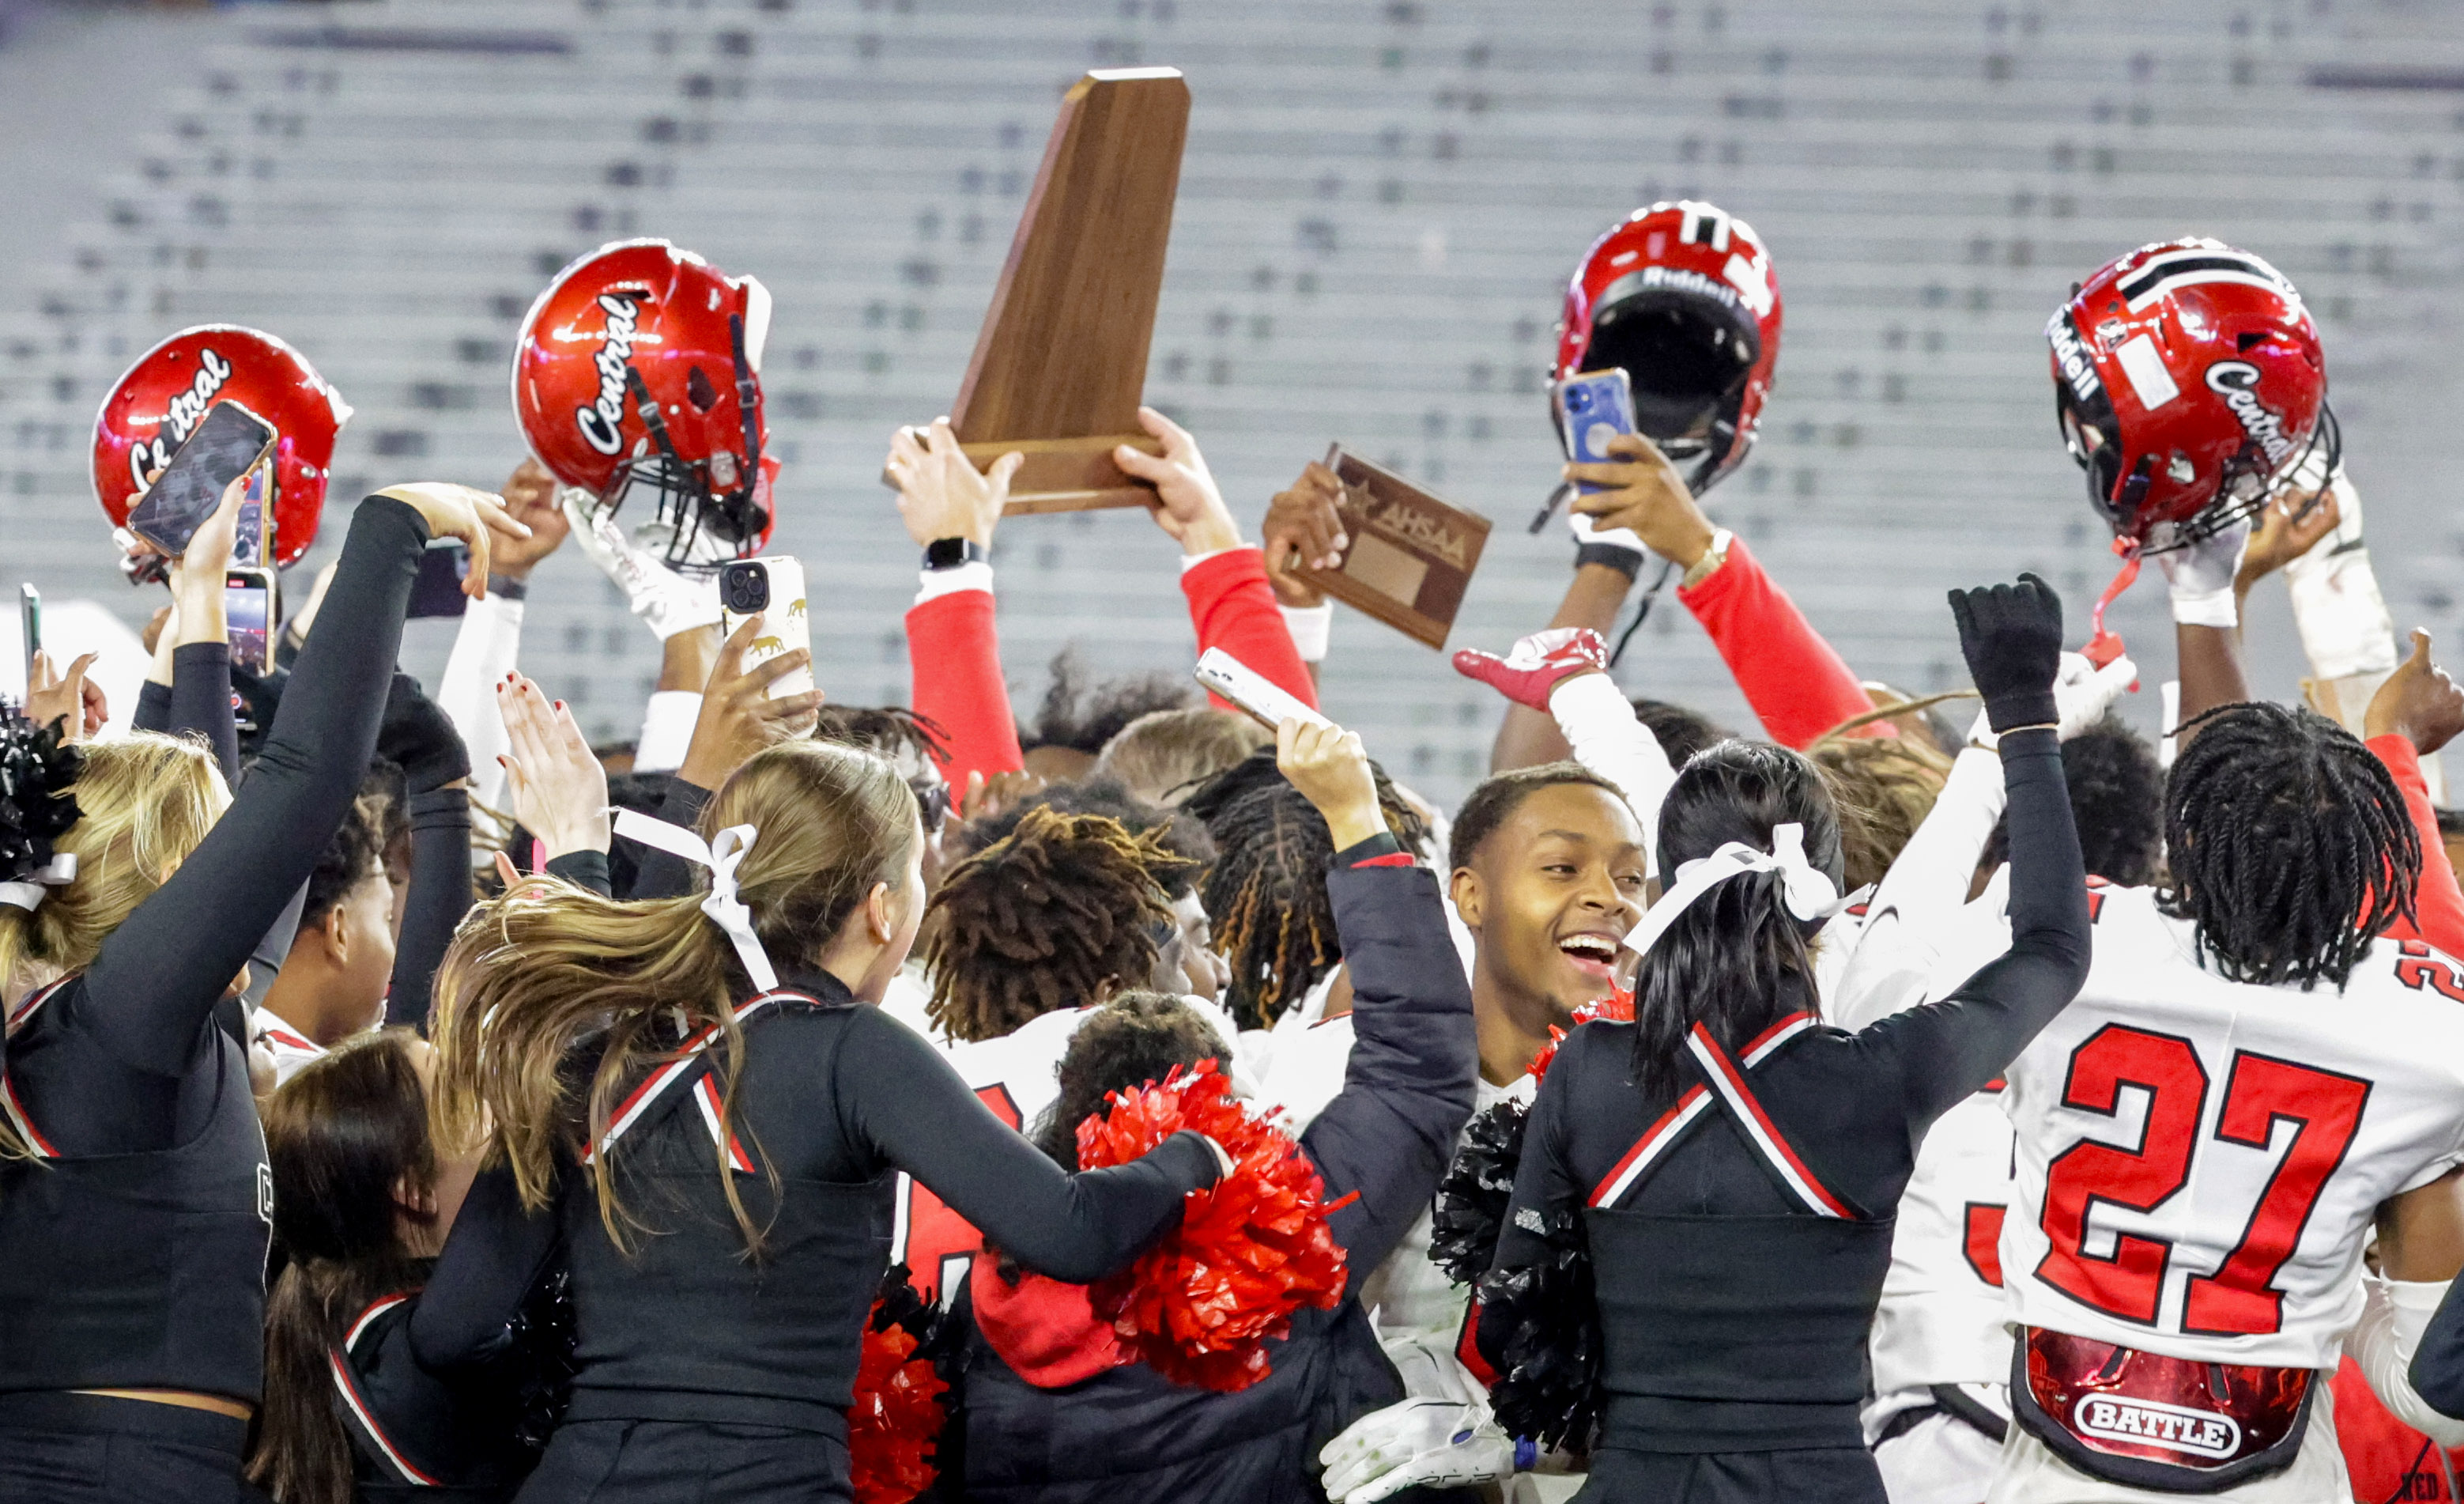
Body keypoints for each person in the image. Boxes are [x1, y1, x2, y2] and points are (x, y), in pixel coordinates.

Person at [426, 716, 1232, 1502]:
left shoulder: (590, 1066)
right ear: (883, 909)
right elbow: (1072, 1230)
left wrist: (604, 1406)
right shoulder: (856, 1053)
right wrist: (1195, 1156)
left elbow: (449, 1333)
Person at [1479, 575, 2090, 1503]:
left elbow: (1506, 1324)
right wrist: (2023, 718)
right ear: (1832, 904)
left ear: (1666, 886)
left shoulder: (1589, 1073)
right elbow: (2051, 948)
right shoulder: (1883, 1076)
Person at [0, 476, 515, 1504]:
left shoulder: (120, 1034)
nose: (245, 876)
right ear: (164, 887)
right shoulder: (121, 1032)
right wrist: (395, 523)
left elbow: (228, 791)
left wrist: (203, 614)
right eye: (210, 852)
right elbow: (302, 782)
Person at [946, 717, 1478, 1502]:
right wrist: (1360, 824)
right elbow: (1419, 1071)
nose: (1220, 966)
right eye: (1189, 945)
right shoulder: (1278, 1239)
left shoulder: (981, 1281)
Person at [249, 1030, 563, 1504]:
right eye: (463, 1092)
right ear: (413, 1191)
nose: (496, 1098)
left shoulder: (353, 1310)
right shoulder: (405, 1366)